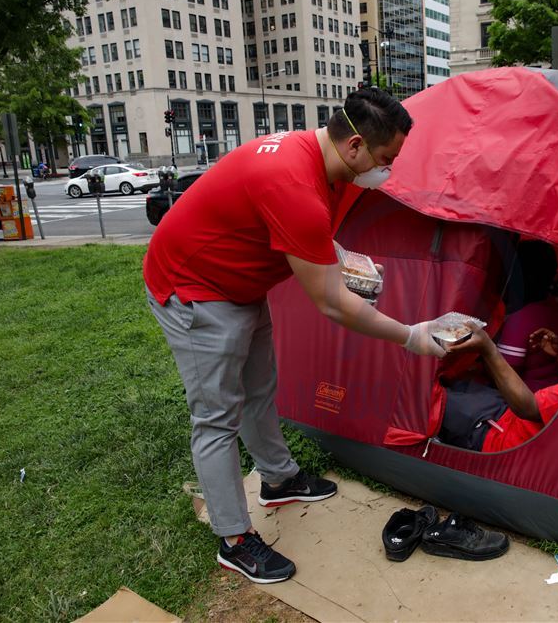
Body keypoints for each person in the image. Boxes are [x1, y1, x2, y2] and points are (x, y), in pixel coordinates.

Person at [143, 88, 446, 585]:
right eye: (386, 158)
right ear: (354, 146)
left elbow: (317, 240)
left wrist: (344, 263)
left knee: (260, 388)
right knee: (217, 416)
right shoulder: (292, 181)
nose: (388, 169)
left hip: (242, 283)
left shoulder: (334, 169)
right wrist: (412, 335)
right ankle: (235, 540)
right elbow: (331, 303)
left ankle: (279, 479)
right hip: (193, 288)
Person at [439, 319, 558, 453]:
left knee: (435, 403)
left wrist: (489, 350)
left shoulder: (521, 321)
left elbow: (529, 408)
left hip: (502, 438)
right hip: (506, 413)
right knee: (458, 385)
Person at [495, 240, 558, 391]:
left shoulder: (521, 320)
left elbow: (504, 376)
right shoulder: (552, 305)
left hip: (530, 401)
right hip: (555, 392)